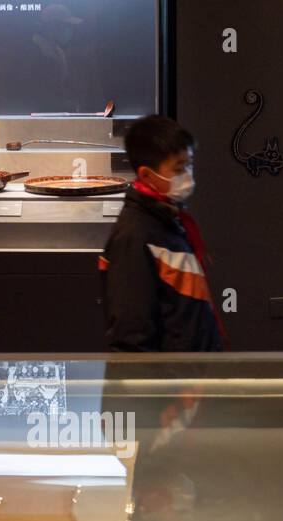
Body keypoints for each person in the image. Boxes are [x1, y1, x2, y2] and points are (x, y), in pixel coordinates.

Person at [102, 114, 228, 351]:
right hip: (175, 382)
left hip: (193, 376)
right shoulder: (135, 236)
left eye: (189, 164)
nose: (188, 175)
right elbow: (132, 336)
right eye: (179, 168)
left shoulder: (170, 220)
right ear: (147, 175)